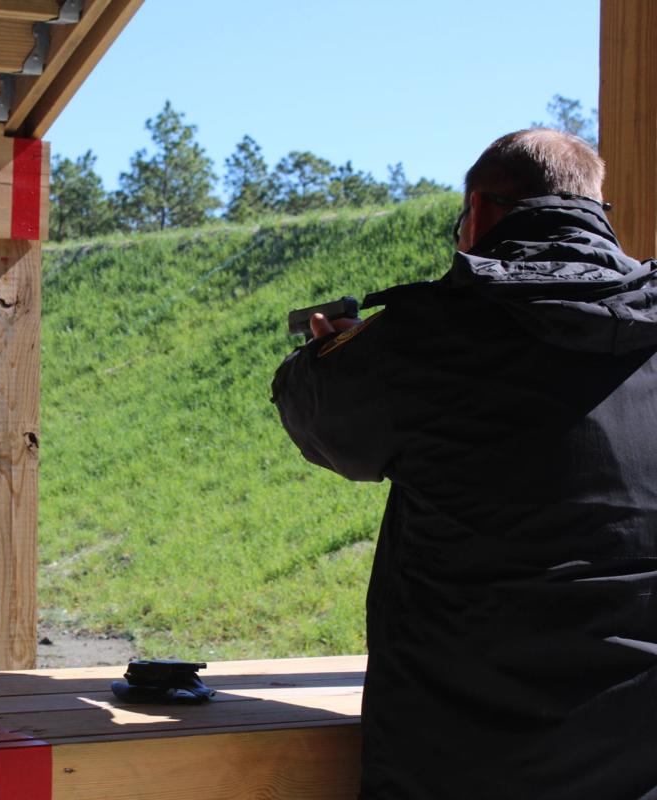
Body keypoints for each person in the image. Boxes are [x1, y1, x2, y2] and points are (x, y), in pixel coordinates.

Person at [271, 128, 657, 799]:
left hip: (457, 764)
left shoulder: (432, 334)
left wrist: (329, 355)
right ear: (595, 208)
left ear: (478, 211)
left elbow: (319, 420)